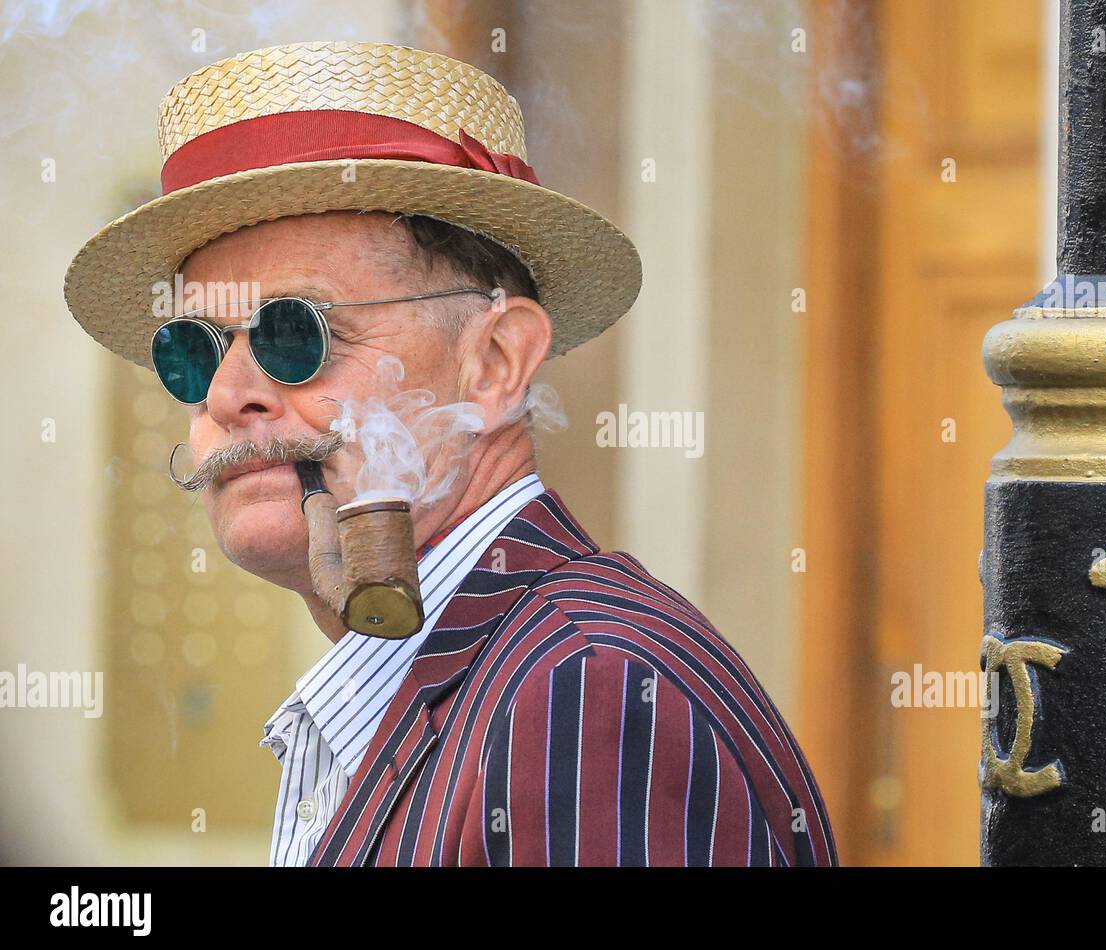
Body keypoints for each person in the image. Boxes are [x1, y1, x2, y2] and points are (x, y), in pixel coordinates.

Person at [63, 40, 835, 867]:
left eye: (297, 332)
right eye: (196, 349)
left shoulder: (588, 690)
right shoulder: (443, 684)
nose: (226, 394)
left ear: (496, 364)